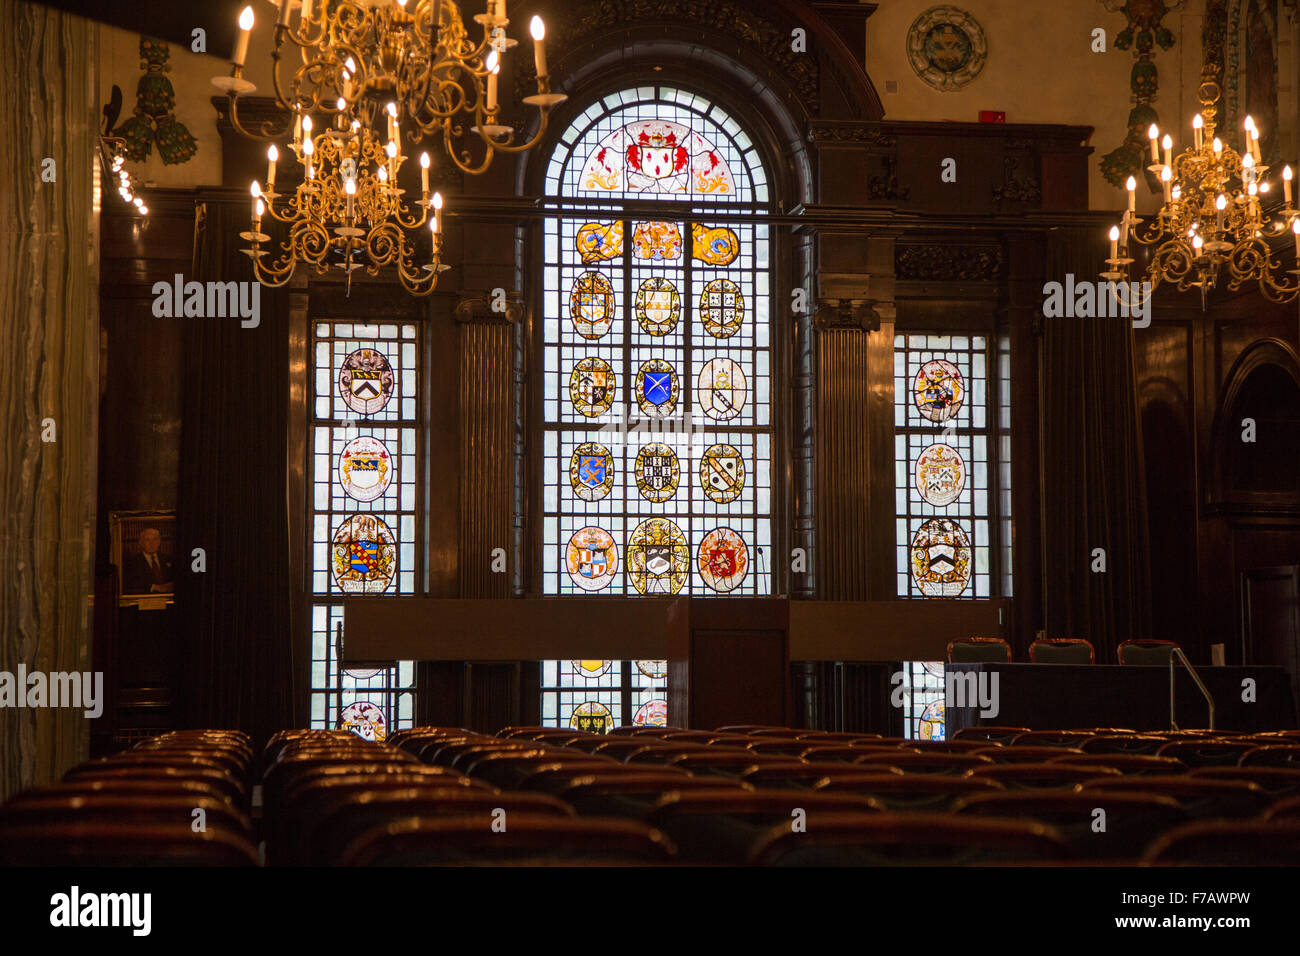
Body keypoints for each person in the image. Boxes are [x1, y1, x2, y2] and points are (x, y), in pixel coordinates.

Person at [122, 527, 174, 594]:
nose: (152, 543)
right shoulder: (132, 563)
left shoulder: (169, 559)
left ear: (160, 542)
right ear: (141, 543)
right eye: (147, 540)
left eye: (155, 539)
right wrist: (153, 587)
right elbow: (130, 586)